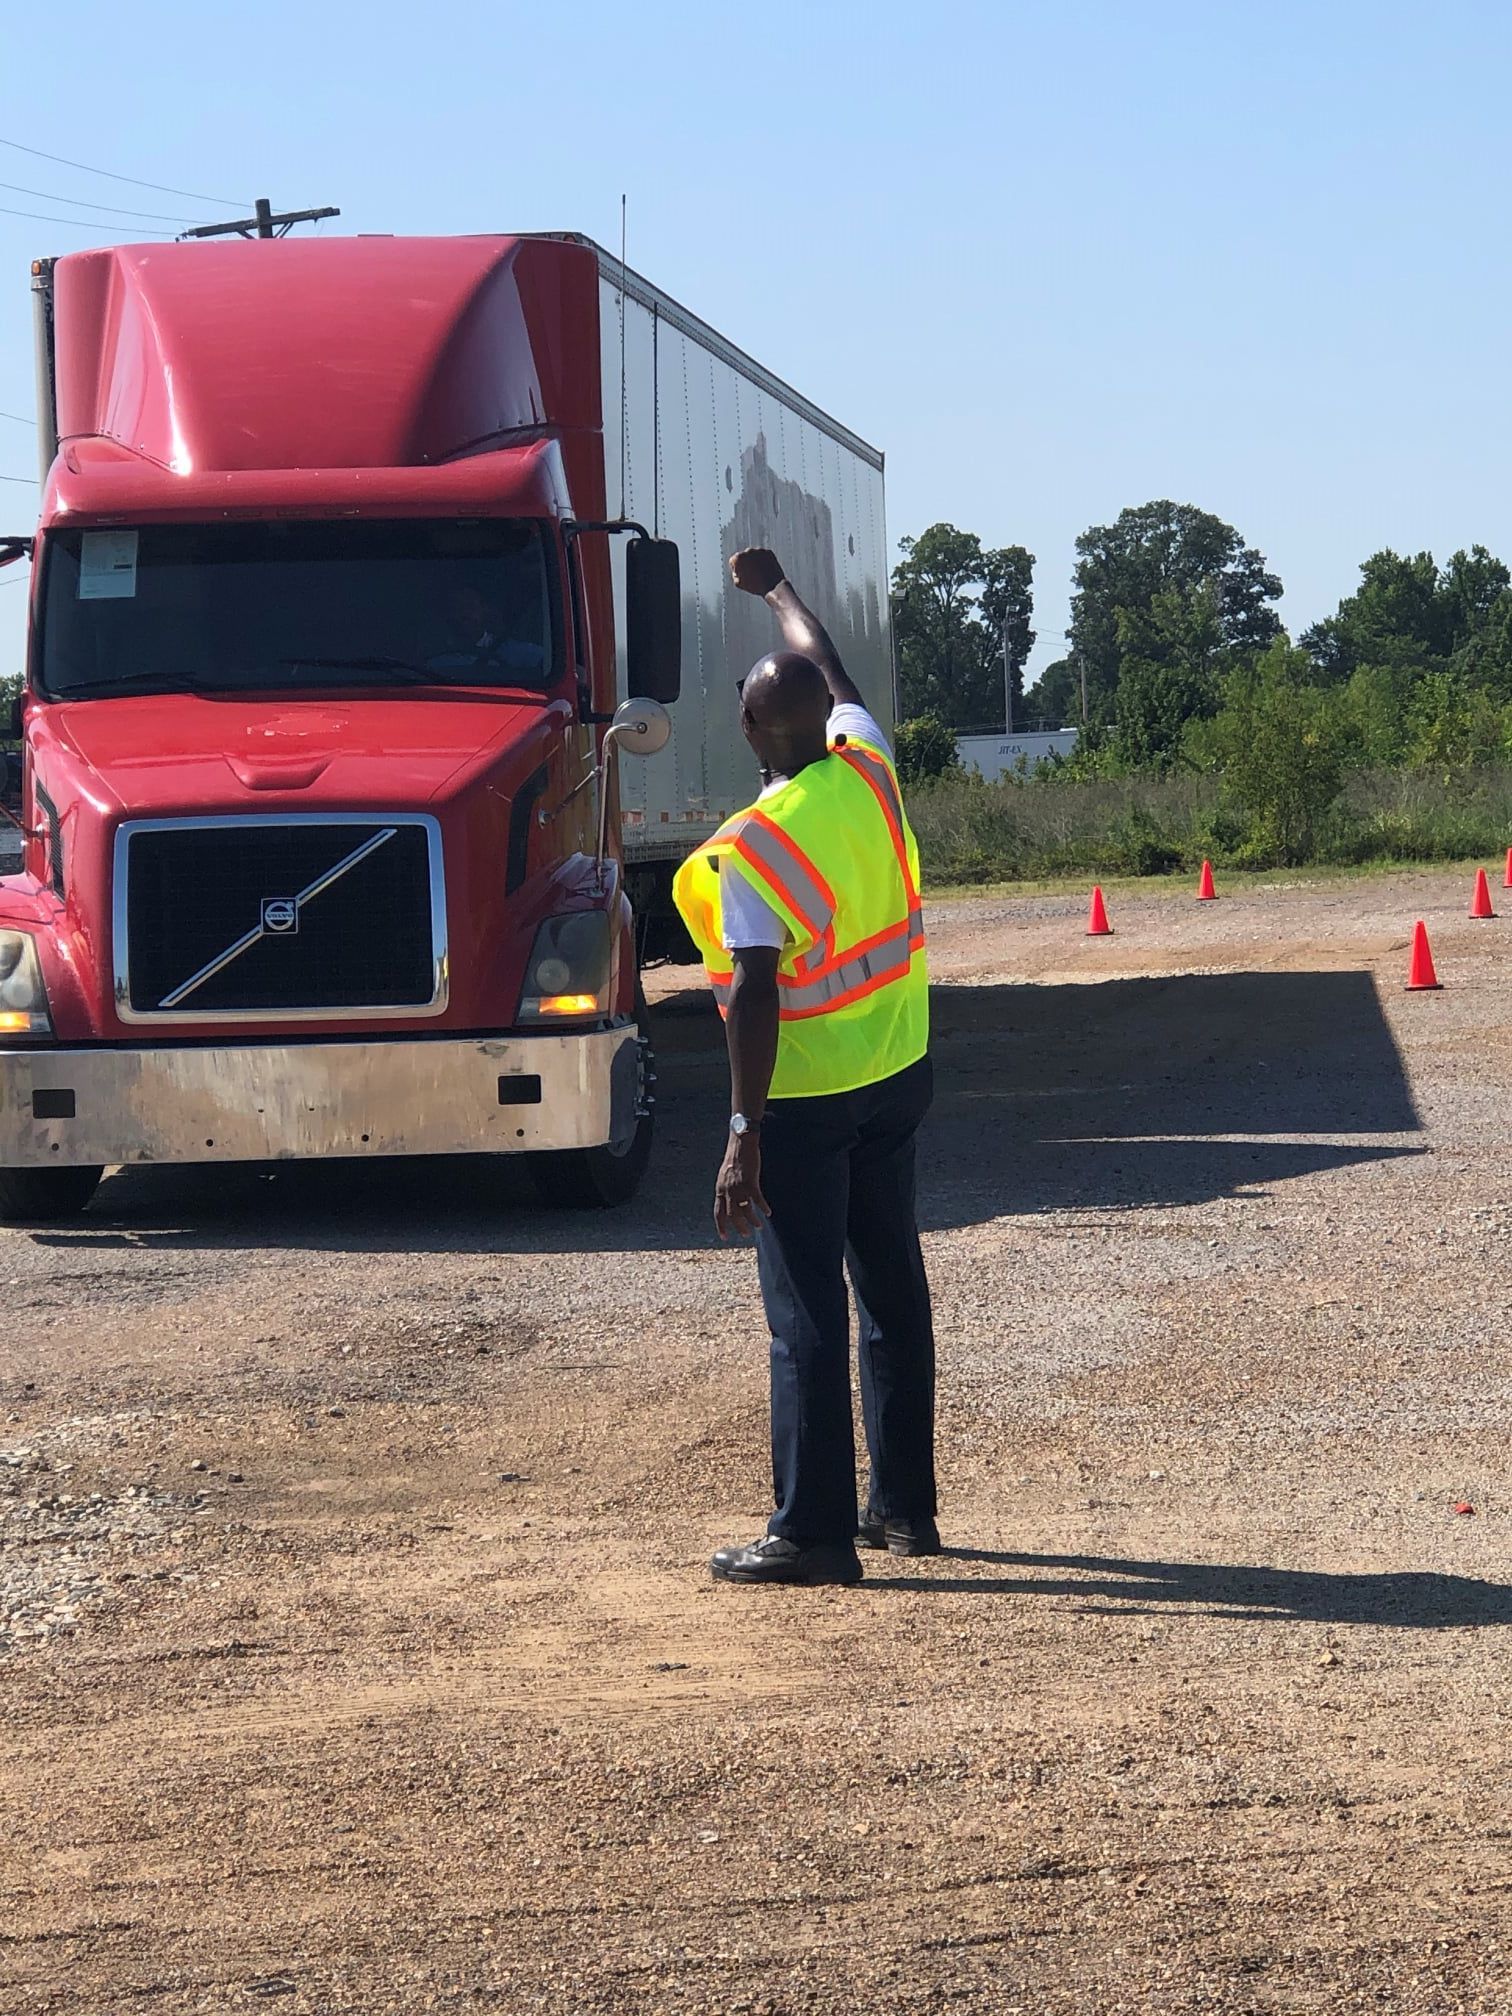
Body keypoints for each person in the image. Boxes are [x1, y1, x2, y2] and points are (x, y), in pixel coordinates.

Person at [673, 548, 938, 1587]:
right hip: (897, 1072)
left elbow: (755, 991)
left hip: (807, 1102)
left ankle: (815, 1534)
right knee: (890, 1293)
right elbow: (829, 664)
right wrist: (781, 591)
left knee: (804, 1318)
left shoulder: (755, 848)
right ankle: (905, 1514)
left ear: (747, 730)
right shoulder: (867, 772)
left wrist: (742, 1135)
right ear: (823, 721)